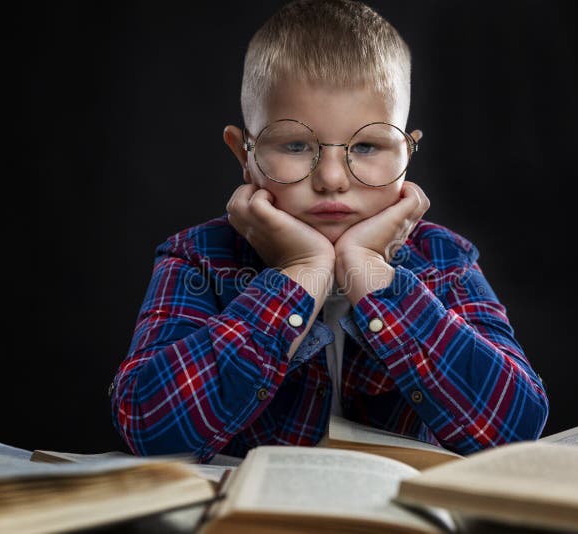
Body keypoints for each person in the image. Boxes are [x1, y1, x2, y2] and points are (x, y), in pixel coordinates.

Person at [110, 0, 548, 463]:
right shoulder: (197, 259)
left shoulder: (446, 261)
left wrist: (369, 272)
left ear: (406, 152)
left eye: (367, 145)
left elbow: (517, 431)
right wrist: (300, 273)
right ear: (245, 155)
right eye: (296, 145)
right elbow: (151, 429)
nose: (333, 179)